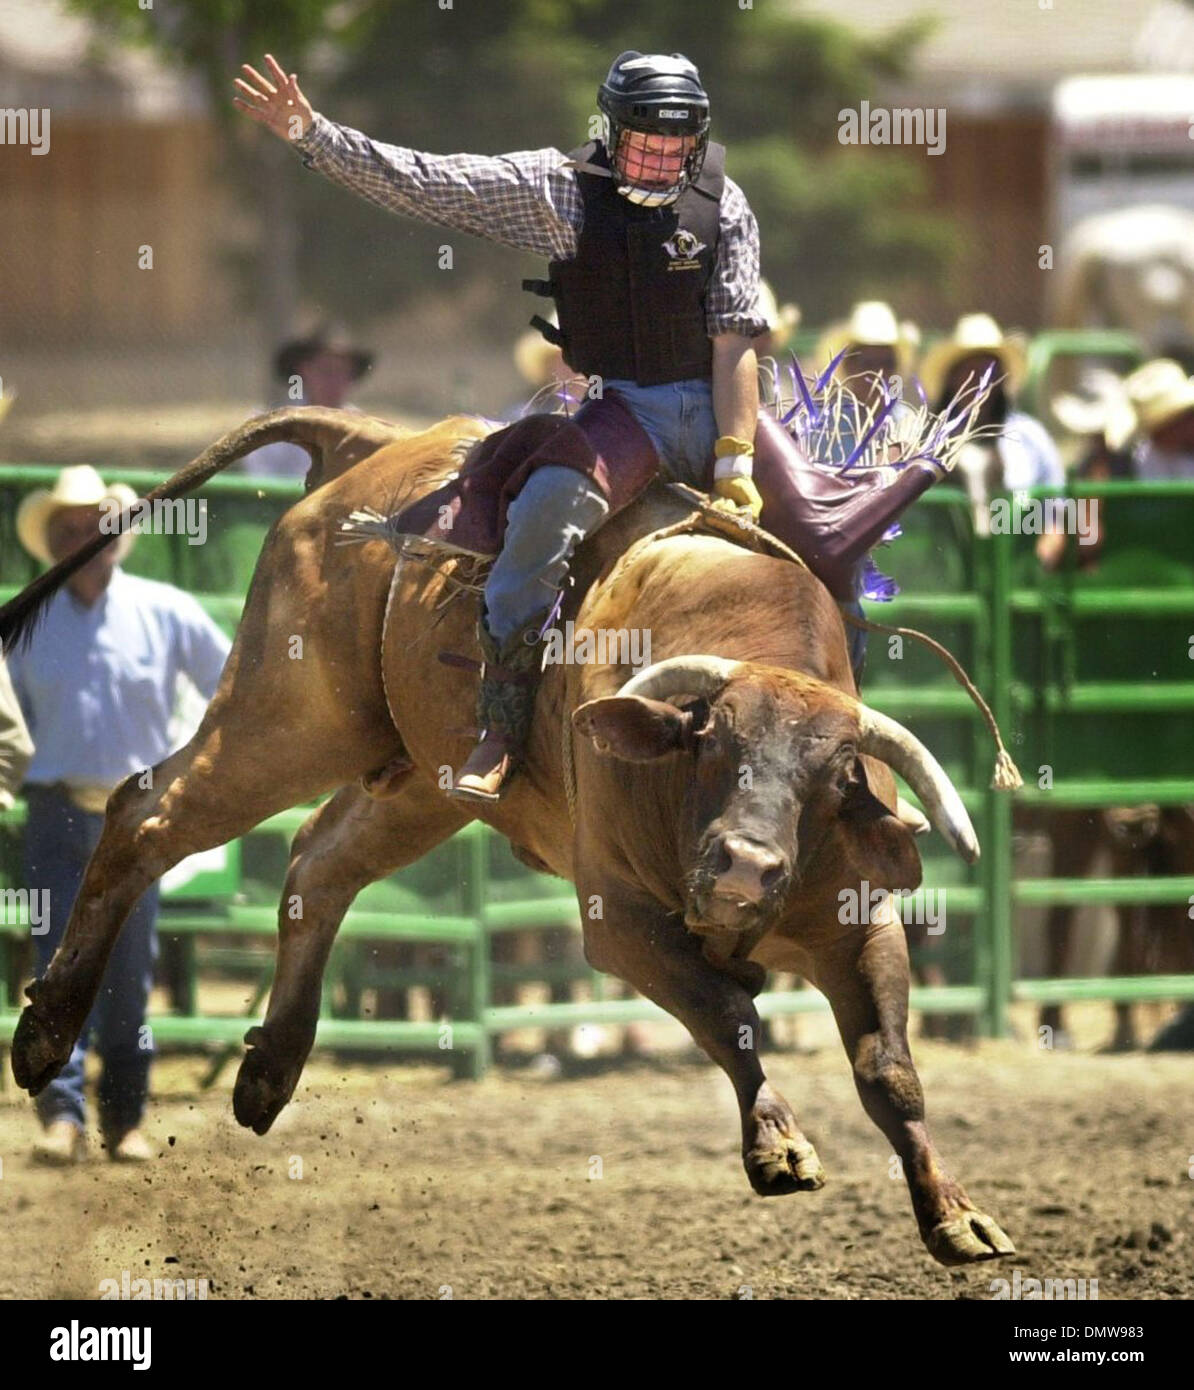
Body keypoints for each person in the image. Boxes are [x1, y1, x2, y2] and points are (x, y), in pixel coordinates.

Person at [234, 49, 944, 803]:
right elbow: (428, 184)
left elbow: (735, 340)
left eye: (679, 143)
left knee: (836, 548)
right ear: (612, 132)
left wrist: (735, 462)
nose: (665, 157)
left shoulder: (726, 204)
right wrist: (313, 133)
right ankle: (501, 723)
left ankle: (846, 751)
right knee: (542, 516)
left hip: (719, 408)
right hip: (625, 410)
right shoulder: (557, 189)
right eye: (647, 141)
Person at [6, 466, 232, 1163]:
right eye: (69, 530)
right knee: (57, 968)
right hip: (55, 810)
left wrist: (192, 776)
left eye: (95, 527)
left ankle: (122, 1119)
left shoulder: (165, 611)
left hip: (136, 818)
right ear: (52, 542)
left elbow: (227, 685)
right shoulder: (25, 621)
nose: (84, 539)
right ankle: (64, 1116)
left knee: (130, 975)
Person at [921, 313, 1067, 569]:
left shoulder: (1030, 436)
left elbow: (1057, 507)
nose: (980, 381)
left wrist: (1050, 538)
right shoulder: (928, 439)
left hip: (1018, 567)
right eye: (971, 370)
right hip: (948, 568)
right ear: (953, 378)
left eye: (990, 372)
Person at [240, 322, 374, 480]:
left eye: (343, 373)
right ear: (304, 371)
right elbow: (260, 484)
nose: (334, 382)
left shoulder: (365, 431)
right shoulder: (271, 426)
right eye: (326, 371)